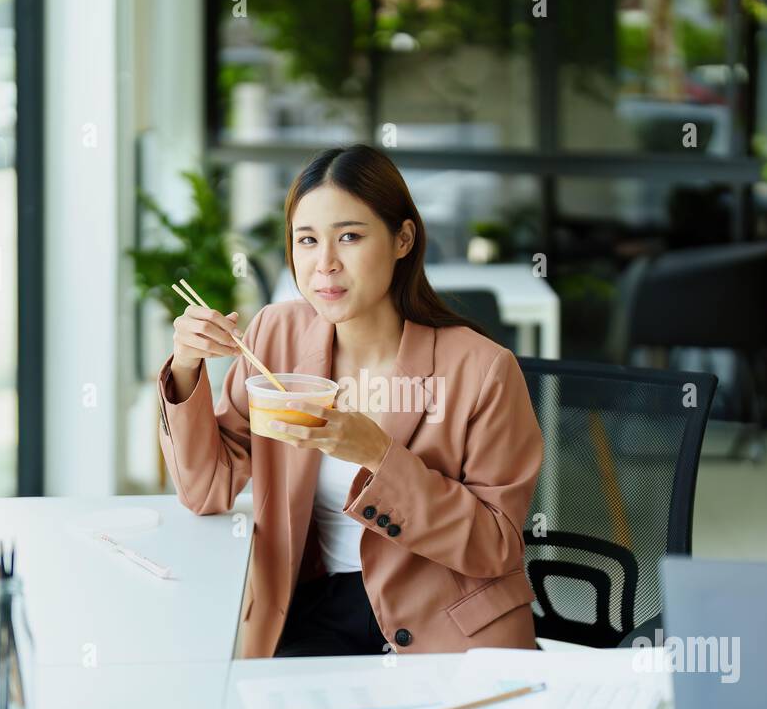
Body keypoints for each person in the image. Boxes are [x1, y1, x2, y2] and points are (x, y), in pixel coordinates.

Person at [157, 144, 543, 658]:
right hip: (311, 611)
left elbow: (495, 545)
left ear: (403, 238)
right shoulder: (275, 335)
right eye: (308, 240)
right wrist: (186, 366)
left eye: (350, 237)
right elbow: (207, 489)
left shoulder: (483, 369)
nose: (325, 264)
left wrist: (379, 456)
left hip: (444, 624)